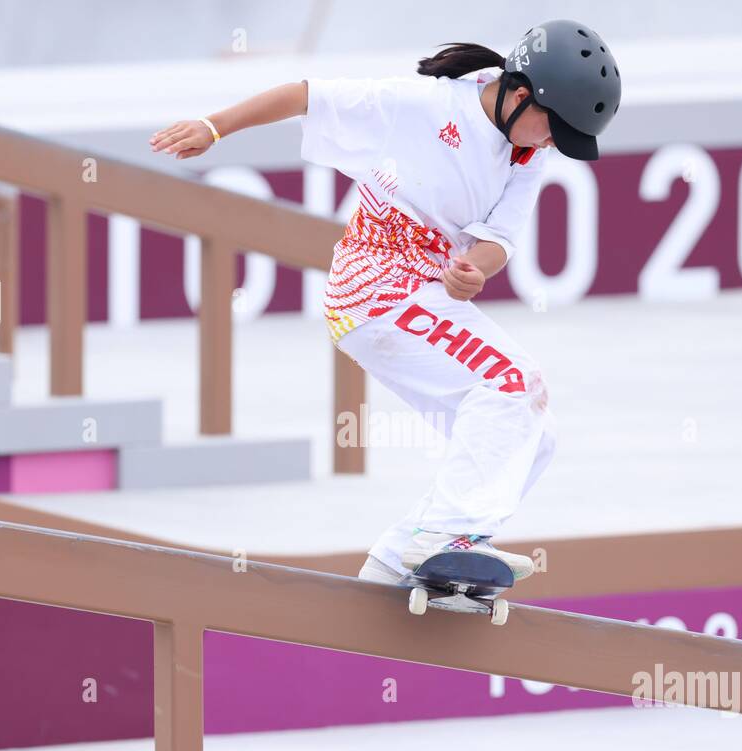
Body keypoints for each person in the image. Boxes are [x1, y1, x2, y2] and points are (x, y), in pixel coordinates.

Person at [150, 19, 621, 586]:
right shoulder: (421, 105)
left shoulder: (528, 153)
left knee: (533, 430)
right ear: (521, 95)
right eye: (554, 131)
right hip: (371, 288)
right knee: (510, 384)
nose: (551, 145)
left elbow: (499, 238)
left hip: (420, 294)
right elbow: (305, 95)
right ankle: (447, 535)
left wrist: (476, 270)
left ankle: (398, 561)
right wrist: (214, 126)